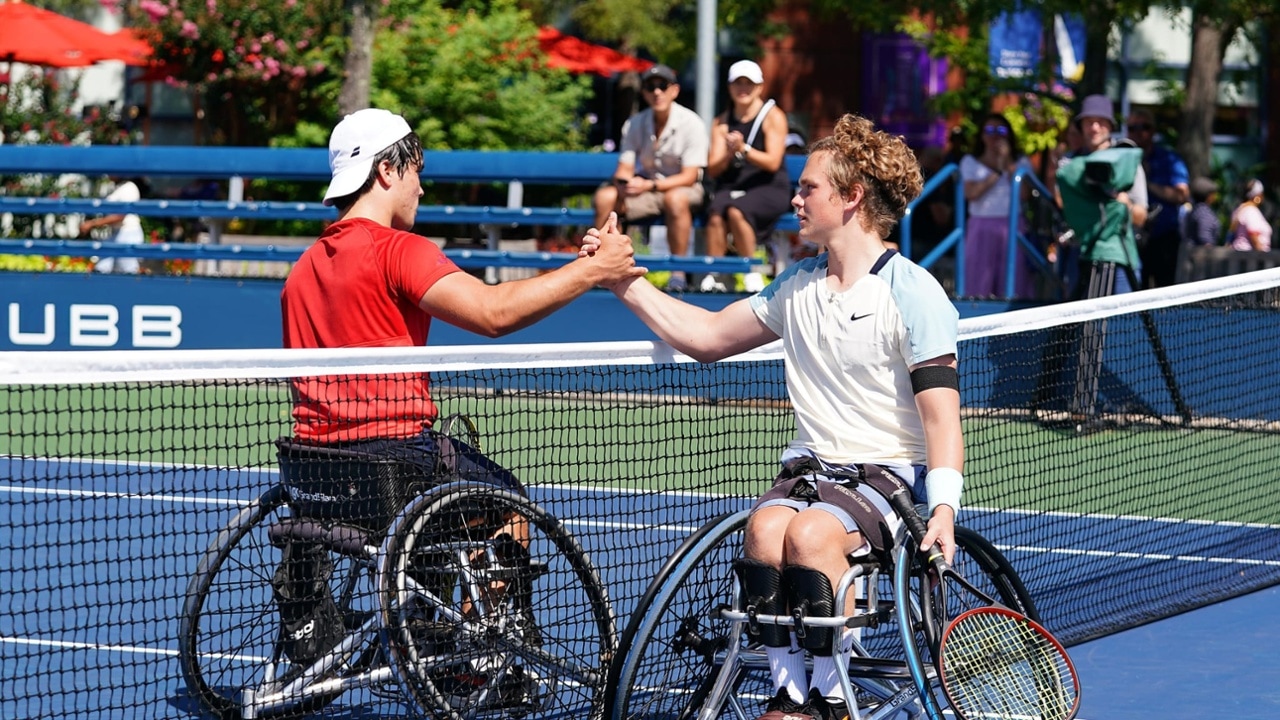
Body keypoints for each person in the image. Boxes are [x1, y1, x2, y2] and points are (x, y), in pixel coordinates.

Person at [600, 113, 962, 720]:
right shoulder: (797, 284)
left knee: (811, 533)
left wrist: (945, 508)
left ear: (851, 198)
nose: (794, 199)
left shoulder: (915, 292)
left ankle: (833, 698)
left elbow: (942, 420)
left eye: (808, 188)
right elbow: (709, 335)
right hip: (810, 473)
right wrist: (623, 280)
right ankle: (791, 693)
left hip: (889, 479)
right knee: (766, 530)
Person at [277, 108, 644, 670]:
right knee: (509, 504)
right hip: (394, 469)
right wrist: (591, 273)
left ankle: (427, 627)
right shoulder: (399, 250)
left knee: (442, 494)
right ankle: (488, 651)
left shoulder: (301, 269)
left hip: (314, 472)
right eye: (416, 170)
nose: (422, 185)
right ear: (387, 172)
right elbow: (493, 313)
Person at [592, 64, 709, 292]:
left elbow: (689, 176)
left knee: (675, 199)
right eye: (650, 87)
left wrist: (650, 184)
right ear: (643, 92)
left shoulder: (691, 122)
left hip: (683, 188)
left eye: (662, 86)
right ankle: (601, 267)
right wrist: (624, 183)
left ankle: (678, 273)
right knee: (605, 197)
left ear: (674, 90)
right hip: (647, 189)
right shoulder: (635, 123)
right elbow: (624, 167)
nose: (657, 92)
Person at [702, 59, 793, 293]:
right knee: (715, 213)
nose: (743, 89)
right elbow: (713, 169)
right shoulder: (721, 121)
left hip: (769, 186)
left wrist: (744, 149)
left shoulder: (773, 116)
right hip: (734, 186)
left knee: (736, 210)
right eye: (738, 83)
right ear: (730, 87)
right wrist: (728, 154)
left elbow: (772, 162)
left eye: (749, 84)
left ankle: (750, 270)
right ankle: (717, 273)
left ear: (760, 87)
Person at [1052, 94, 1149, 297]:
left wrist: (1123, 204)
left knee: (1122, 327)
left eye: (1100, 121)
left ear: (1110, 125)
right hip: (1079, 256)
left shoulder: (1127, 160)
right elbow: (1061, 202)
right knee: (1078, 326)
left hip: (1120, 256)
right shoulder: (1070, 164)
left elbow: (1141, 217)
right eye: (1088, 122)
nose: (1094, 127)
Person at [958, 113, 1032, 298]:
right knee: (978, 282)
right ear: (982, 135)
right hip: (981, 226)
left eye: (1001, 130)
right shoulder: (969, 161)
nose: (995, 136)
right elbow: (971, 193)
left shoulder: (1020, 162)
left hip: (1013, 225)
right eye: (989, 130)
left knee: (1013, 281)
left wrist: (1007, 163)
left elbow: (1025, 194)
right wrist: (997, 171)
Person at [1126, 109, 1189, 288]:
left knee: (1165, 295)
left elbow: (1181, 195)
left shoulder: (1168, 159)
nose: (1138, 132)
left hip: (1163, 239)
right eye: (1132, 128)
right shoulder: (1120, 159)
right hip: (1130, 239)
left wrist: (1146, 181)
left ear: (1153, 131)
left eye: (1144, 127)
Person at [80, 176, 148, 274]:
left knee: (128, 271)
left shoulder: (129, 187)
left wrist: (92, 223)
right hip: (116, 233)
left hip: (128, 233)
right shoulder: (116, 187)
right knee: (102, 268)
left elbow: (120, 215)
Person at [1228, 178, 1272, 252]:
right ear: (1258, 195)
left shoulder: (1240, 209)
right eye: (1262, 193)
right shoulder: (1251, 211)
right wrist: (1262, 256)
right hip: (1251, 258)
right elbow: (1254, 236)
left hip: (1241, 256)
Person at [1181, 176, 1221, 249]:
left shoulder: (1193, 211)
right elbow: (1205, 239)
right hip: (1200, 256)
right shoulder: (1204, 214)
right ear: (1209, 196)